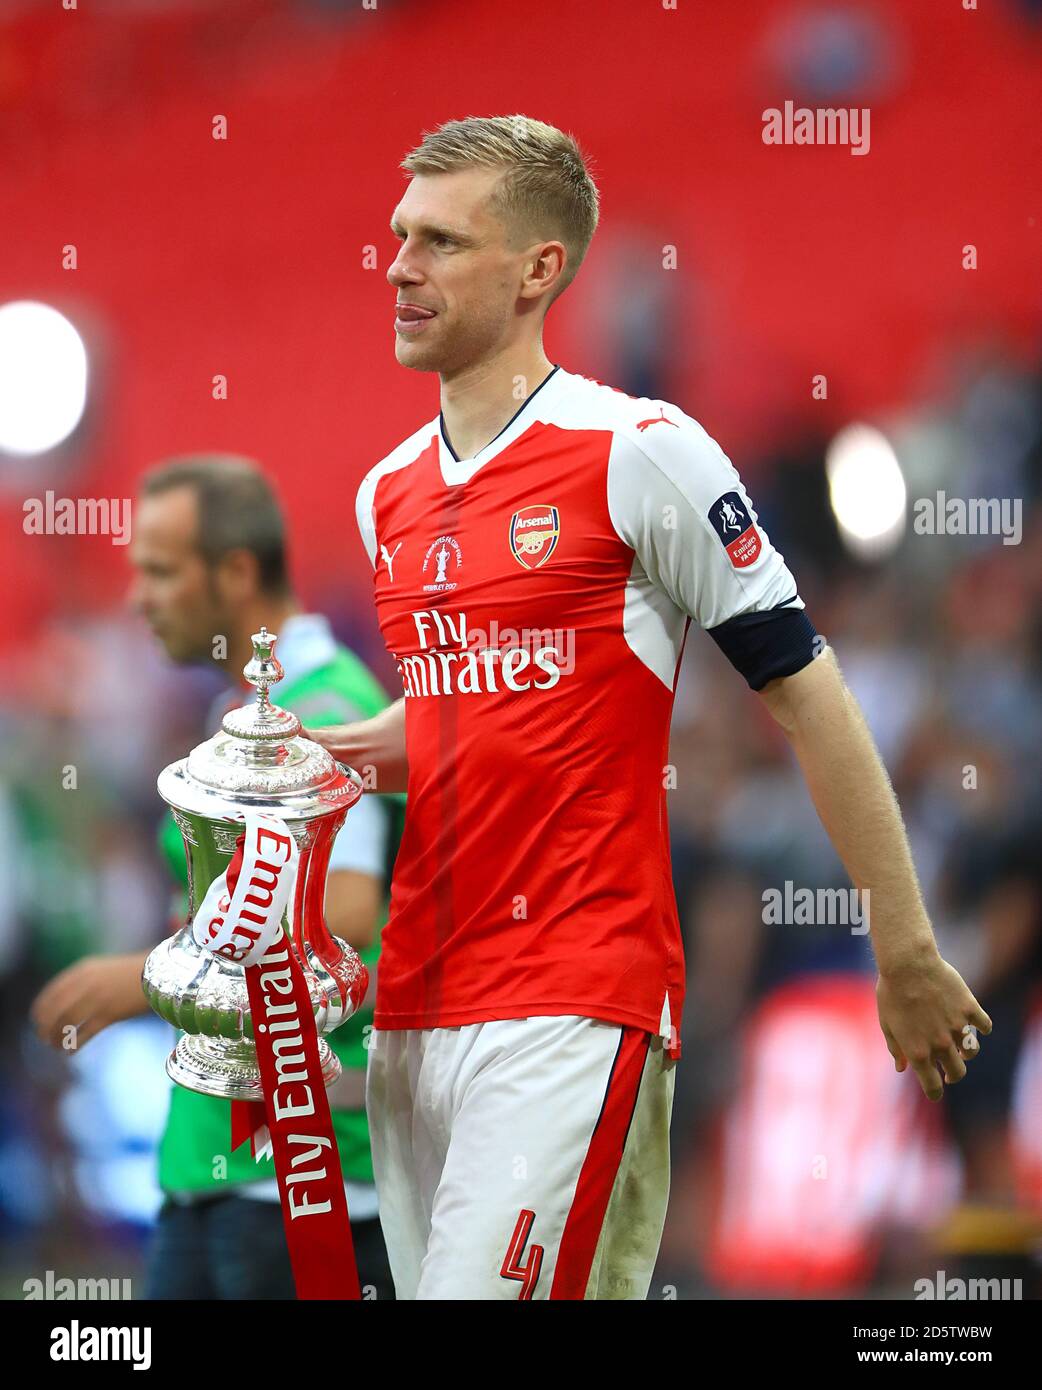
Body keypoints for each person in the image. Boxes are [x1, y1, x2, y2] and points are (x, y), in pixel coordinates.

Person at [307, 113, 991, 1301]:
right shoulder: (387, 496)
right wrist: (318, 764)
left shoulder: (640, 450)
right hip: (413, 1012)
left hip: (574, 994)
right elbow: (466, 727)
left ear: (539, 270)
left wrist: (905, 943)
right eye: (396, 236)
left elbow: (807, 694)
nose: (400, 266)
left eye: (440, 241)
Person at [32, 455, 399, 1300]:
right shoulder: (237, 709)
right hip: (222, 1159)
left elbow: (341, 910)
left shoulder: (329, 711)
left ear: (235, 573)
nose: (138, 597)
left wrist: (150, 980)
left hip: (299, 1173)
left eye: (160, 571)